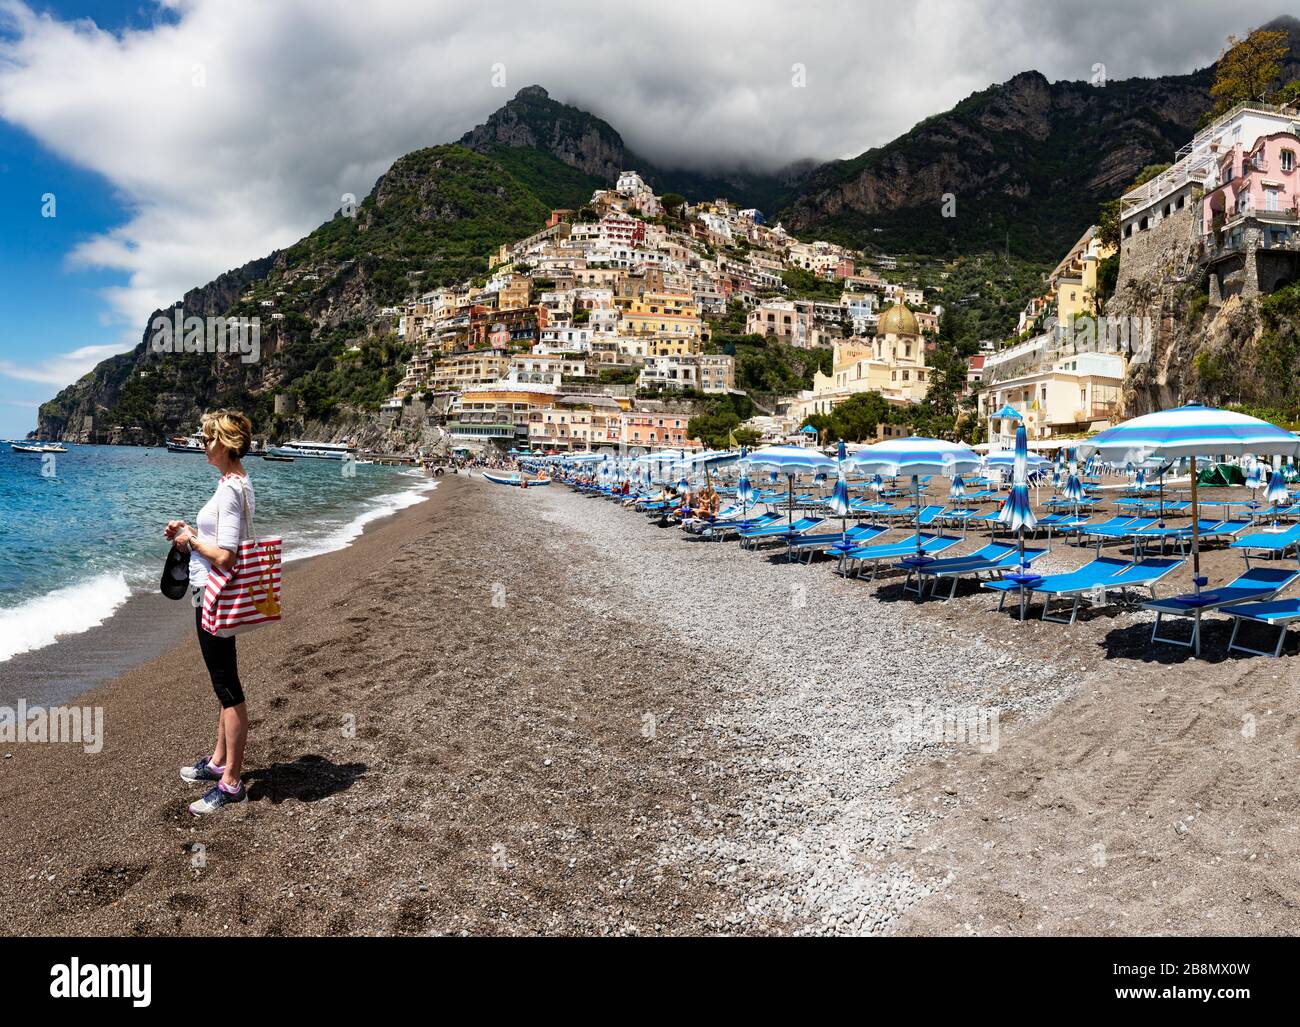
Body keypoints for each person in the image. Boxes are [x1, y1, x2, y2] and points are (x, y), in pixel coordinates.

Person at [164, 410, 256, 816]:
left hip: (216, 595)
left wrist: (192, 540)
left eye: (206, 439)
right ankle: (219, 761)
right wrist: (190, 537)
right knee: (222, 683)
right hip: (210, 594)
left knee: (228, 688)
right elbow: (217, 543)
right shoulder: (229, 484)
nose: (202, 444)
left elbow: (226, 555)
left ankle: (232, 782)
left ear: (225, 443)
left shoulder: (233, 489)